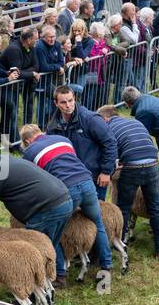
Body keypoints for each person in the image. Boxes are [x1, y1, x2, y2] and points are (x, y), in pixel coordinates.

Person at [0, 138, 74, 288]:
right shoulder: (10, 161)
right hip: (64, 199)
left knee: (33, 251)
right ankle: (58, 277)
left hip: (45, 209)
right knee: (49, 243)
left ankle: (32, 290)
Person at [20, 124, 113, 292]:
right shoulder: (63, 139)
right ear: (41, 132)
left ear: (27, 141)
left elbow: (35, 178)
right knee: (98, 223)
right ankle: (106, 267)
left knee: (53, 231)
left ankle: (60, 274)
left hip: (65, 190)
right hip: (86, 181)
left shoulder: (29, 152)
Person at [98, 104, 159, 258]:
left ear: (105, 119)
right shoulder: (136, 122)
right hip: (153, 164)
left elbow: (111, 154)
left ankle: (119, 245)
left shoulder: (108, 129)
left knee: (123, 207)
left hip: (131, 168)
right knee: (156, 206)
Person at [45, 86, 117, 199]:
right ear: (56, 103)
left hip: (93, 177)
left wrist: (106, 172)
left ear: (74, 98)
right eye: (63, 102)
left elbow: (110, 143)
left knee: (95, 213)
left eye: (70, 100)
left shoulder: (90, 119)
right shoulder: (52, 126)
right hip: (67, 179)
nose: (68, 105)